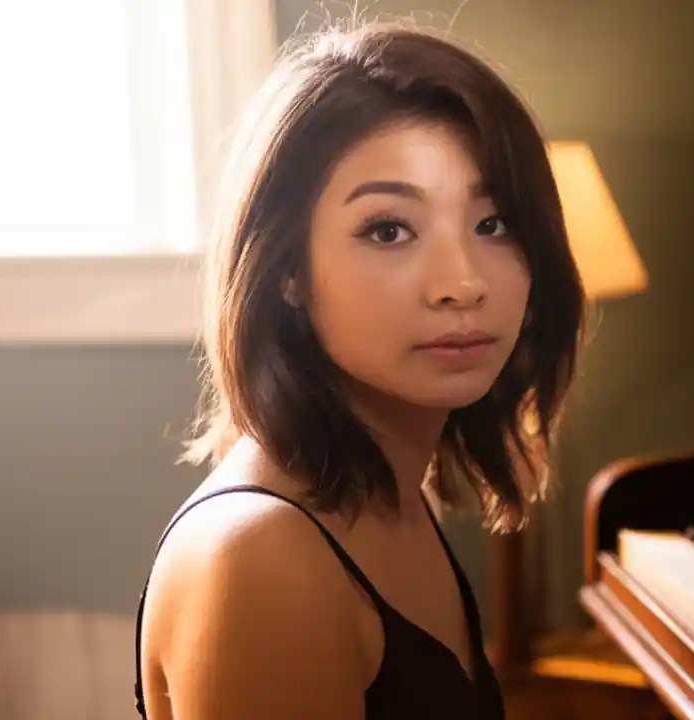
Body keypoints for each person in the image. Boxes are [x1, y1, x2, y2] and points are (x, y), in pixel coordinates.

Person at [131, 20, 584, 720]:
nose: (462, 284)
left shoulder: (392, 490)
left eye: (492, 223)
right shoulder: (262, 558)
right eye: (388, 230)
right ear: (286, 270)